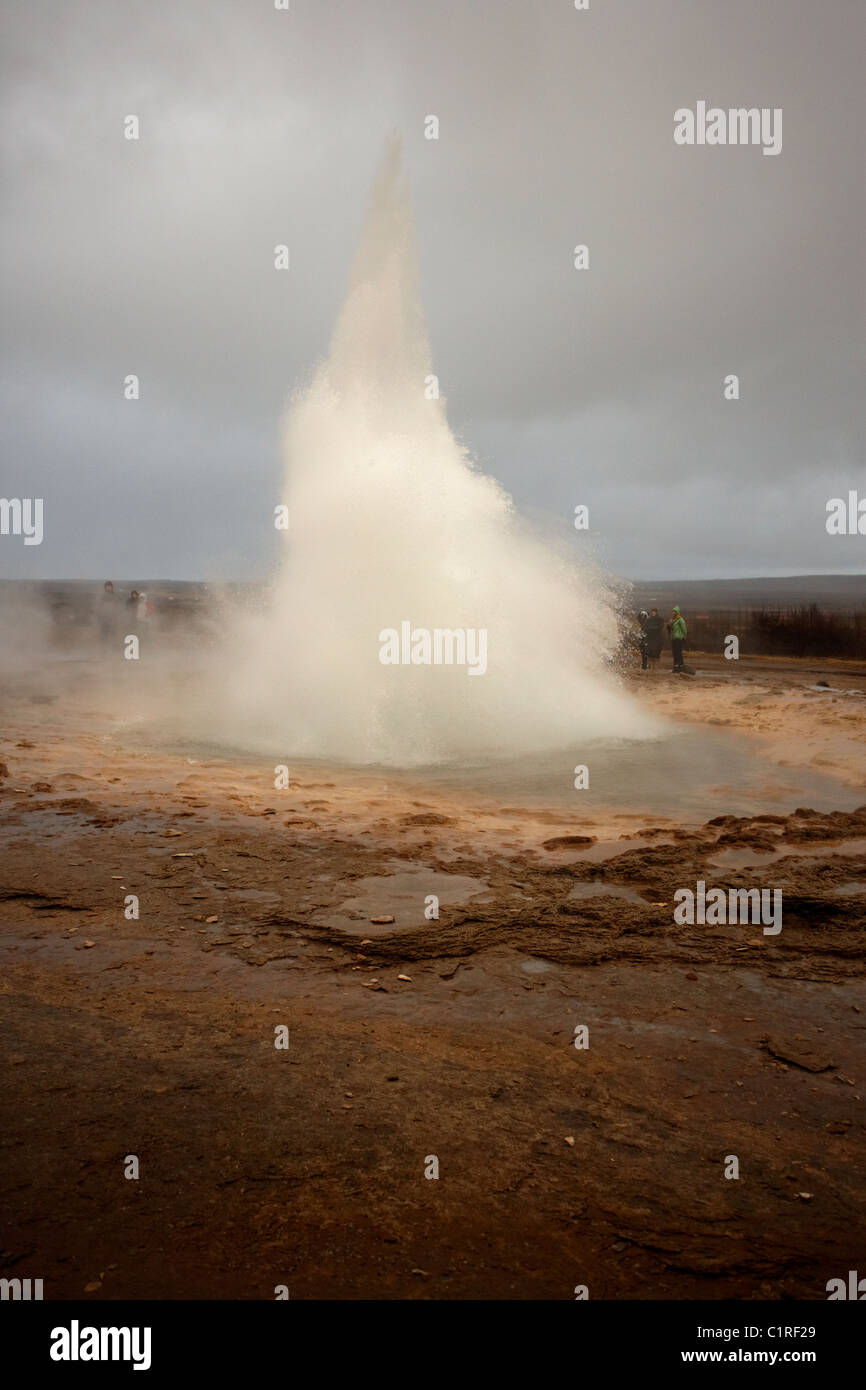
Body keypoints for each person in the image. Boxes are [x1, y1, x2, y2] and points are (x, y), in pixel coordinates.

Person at [668, 605, 688, 672]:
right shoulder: (672, 620)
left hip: (679, 638)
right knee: (674, 652)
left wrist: (684, 636)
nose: (673, 612)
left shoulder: (680, 619)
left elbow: (684, 629)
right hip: (673, 637)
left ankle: (680, 665)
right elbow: (671, 628)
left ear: (677, 612)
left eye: (674, 611)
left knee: (678, 652)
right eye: (673, 611)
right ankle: (676, 666)